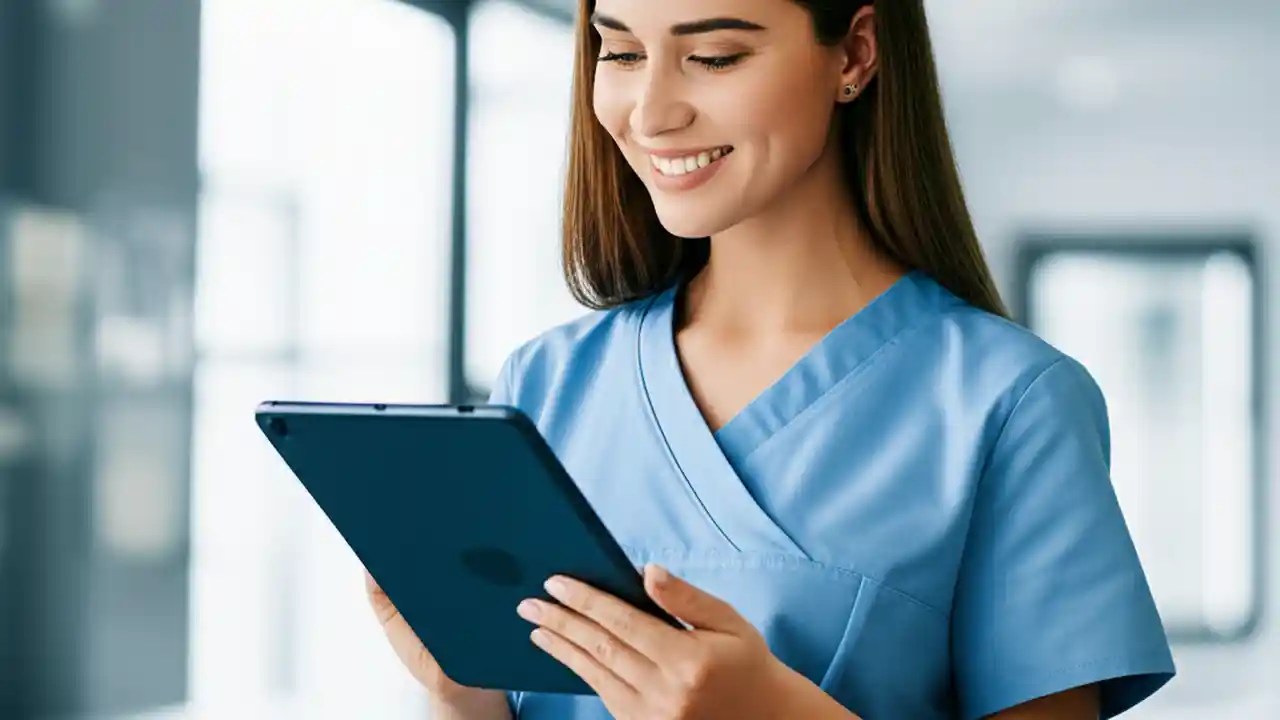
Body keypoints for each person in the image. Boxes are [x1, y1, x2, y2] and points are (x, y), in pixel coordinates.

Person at [367, 0, 1176, 717]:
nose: (651, 113)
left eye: (714, 56)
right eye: (622, 52)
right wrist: (461, 698)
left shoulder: (1009, 403)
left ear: (854, 53)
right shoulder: (545, 385)